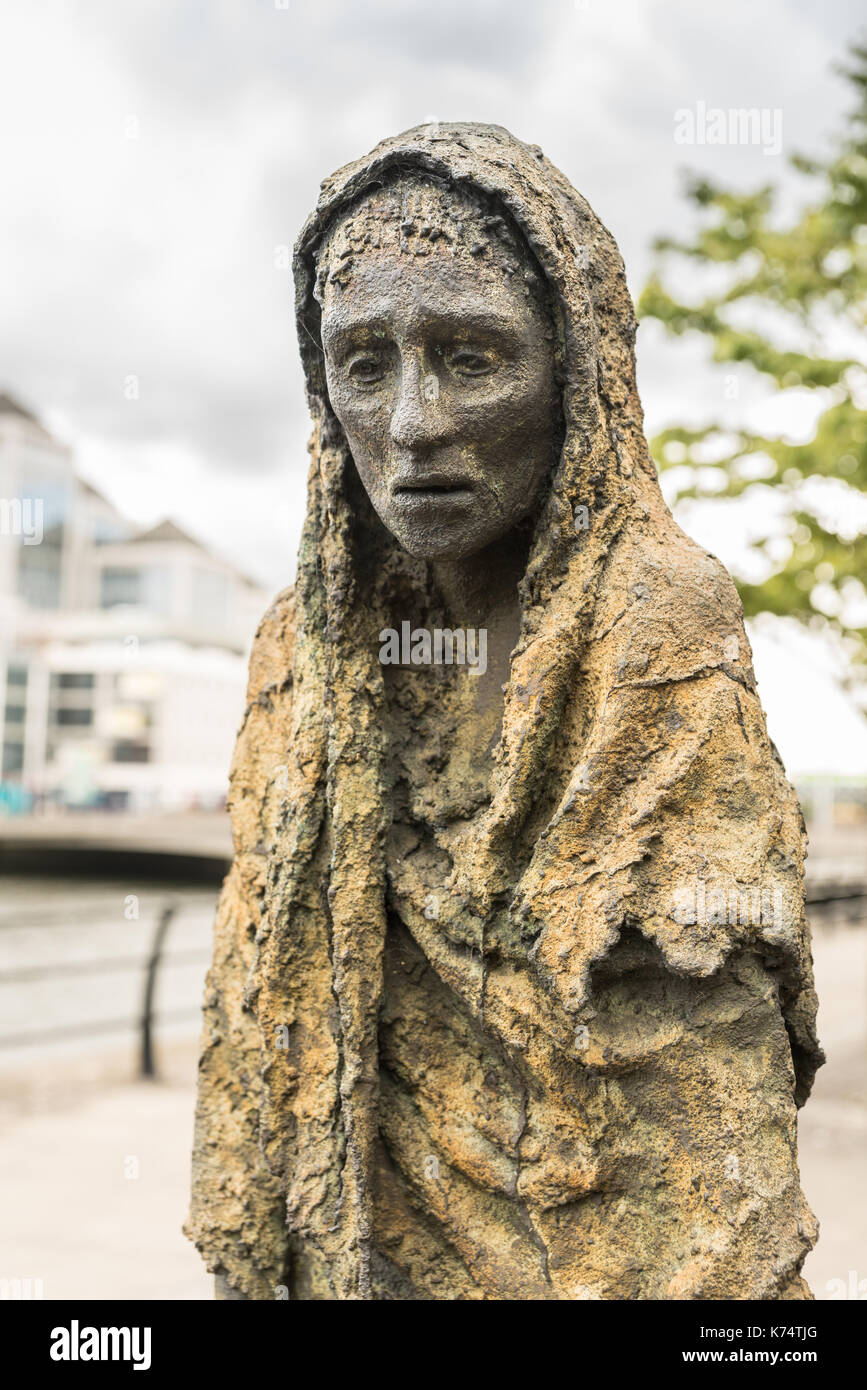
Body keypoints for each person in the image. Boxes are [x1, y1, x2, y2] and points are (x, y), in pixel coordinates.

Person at [187, 123, 822, 1301]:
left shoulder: (654, 624)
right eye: (365, 363)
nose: (416, 423)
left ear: (575, 368)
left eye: (472, 356)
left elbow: (704, 1066)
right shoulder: (309, 640)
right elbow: (261, 996)